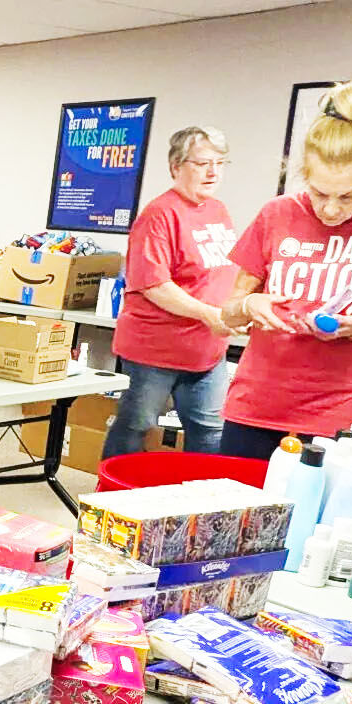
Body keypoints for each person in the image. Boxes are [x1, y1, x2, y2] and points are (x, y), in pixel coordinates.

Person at [216, 78, 352, 459]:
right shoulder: (275, 214)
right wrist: (249, 306)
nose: (331, 209)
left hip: (337, 409)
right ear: (303, 176)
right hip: (257, 403)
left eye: (347, 196)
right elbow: (228, 313)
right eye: (319, 194)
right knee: (237, 512)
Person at [102, 126, 239, 459]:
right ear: (176, 166)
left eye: (220, 163)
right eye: (203, 163)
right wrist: (209, 314)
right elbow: (154, 286)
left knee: (210, 431)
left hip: (208, 349)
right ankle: (109, 500)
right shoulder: (159, 214)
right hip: (156, 351)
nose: (213, 172)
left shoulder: (217, 210)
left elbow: (226, 271)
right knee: (136, 425)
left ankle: (199, 505)